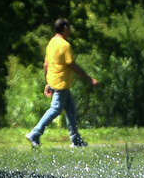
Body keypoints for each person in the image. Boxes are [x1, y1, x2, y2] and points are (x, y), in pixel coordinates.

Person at [26, 18, 98, 148]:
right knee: (55, 109)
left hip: (55, 82)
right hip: (61, 83)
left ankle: (75, 140)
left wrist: (47, 82)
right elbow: (71, 65)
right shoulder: (65, 45)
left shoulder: (51, 43)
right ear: (64, 28)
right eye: (69, 27)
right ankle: (35, 133)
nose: (70, 30)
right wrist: (89, 78)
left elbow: (46, 64)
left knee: (71, 110)